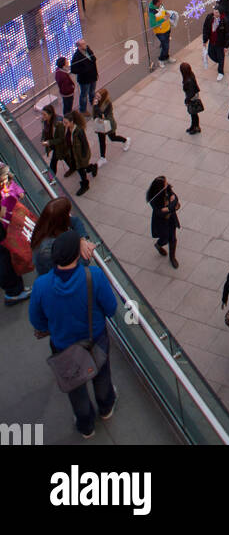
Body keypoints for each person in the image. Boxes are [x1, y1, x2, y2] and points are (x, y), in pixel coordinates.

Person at [28, 229, 118, 436]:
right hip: (95, 338)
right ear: (77, 255)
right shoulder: (94, 276)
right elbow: (111, 308)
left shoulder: (41, 285)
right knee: (102, 375)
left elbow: (37, 321)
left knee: (75, 388)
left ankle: (86, 426)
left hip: (63, 345)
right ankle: (106, 408)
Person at [147, 176, 180, 269]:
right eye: (165, 183)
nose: (167, 184)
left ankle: (172, 257)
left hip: (171, 219)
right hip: (161, 222)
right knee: (164, 238)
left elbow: (175, 199)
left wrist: (169, 207)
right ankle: (158, 245)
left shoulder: (167, 189)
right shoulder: (154, 199)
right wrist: (171, 206)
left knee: (173, 238)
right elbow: (160, 212)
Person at [64, 110, 98, 197]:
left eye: (66, 122)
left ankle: (85, 185)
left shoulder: (79, 130)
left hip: (81, 155)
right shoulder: (68, 130)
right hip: (74, 154)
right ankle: (92, 167)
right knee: (82, 167)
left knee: (81, 169)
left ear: (72, 122)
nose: (64, 124)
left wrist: (83, 156)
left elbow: (84, 143)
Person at [91, 87, 129, 163]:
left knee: (113, 138)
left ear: (103, 97)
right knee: (101, 140)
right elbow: (95, 115)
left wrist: (95, 106)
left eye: (99, 97)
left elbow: (102, 115)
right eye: (96, 96)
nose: (97, 98)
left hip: (108, 124)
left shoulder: (108, 104)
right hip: (100, 124)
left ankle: (125, 140)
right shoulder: (97, 102)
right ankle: (103, 158)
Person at [70, 39, 98, 115]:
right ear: (79, 46)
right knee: (84, 95)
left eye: (85, 43)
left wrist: (95, 73)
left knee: (92, 91)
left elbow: (93, 60)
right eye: (83, 44)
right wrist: (84, 70)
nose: (85, 45)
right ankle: (83, 110)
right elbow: (73, 70)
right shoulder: (76, 56)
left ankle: (92, 102)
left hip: (93, 76)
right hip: (85, 79)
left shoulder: (88, 50)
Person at [202, 8, 229, 80]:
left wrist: (226, 46)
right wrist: (205, 40)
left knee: (220, 56)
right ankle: (220, 61)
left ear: (220, 13)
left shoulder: (224, 20)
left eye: (217, 12)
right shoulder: (209, 17)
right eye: (214, 12)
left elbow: (227, 33)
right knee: (210, 53)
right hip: (212, 41)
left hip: (220, 43)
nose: (215, 14)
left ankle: (220, 72)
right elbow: (205, 28)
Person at [180, 61, 202, 134]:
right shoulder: (190, 75)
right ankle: (194, 126)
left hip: (192, 98)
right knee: (194, 114)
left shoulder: (188, 80)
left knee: (193, 113)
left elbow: (191, 93)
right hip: (193, 95)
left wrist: (186, 100)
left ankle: (196, 127)